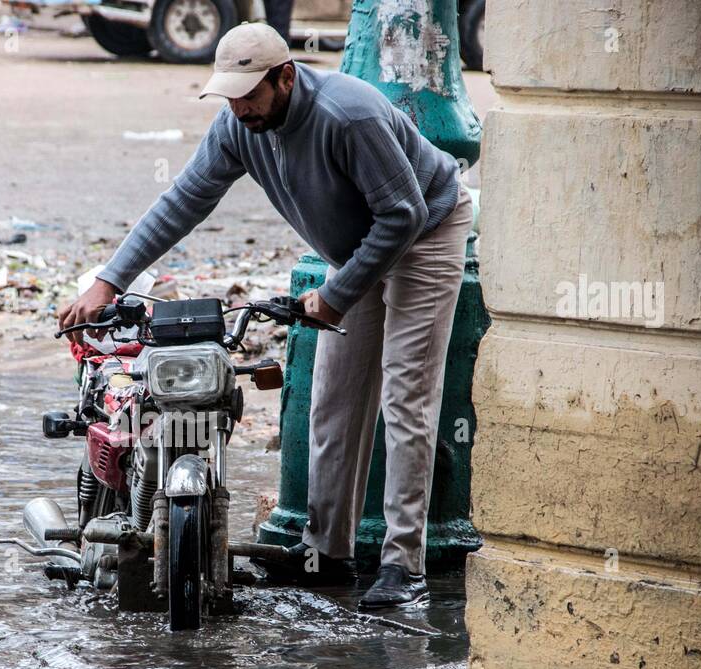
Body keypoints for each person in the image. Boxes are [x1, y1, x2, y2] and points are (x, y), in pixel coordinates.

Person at [57, 23, 473, 610]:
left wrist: (336, 294)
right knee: (332, 400)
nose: (240, 107)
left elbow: (403, 213)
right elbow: (183, 200)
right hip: (357, 246)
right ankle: (325, 554)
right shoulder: (237, 124)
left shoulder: (348, 115)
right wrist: (108, 281)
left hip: (427, 230)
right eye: (230, 94)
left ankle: (404, 565)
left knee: (405, 395)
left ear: (286, 76)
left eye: (250, 93)